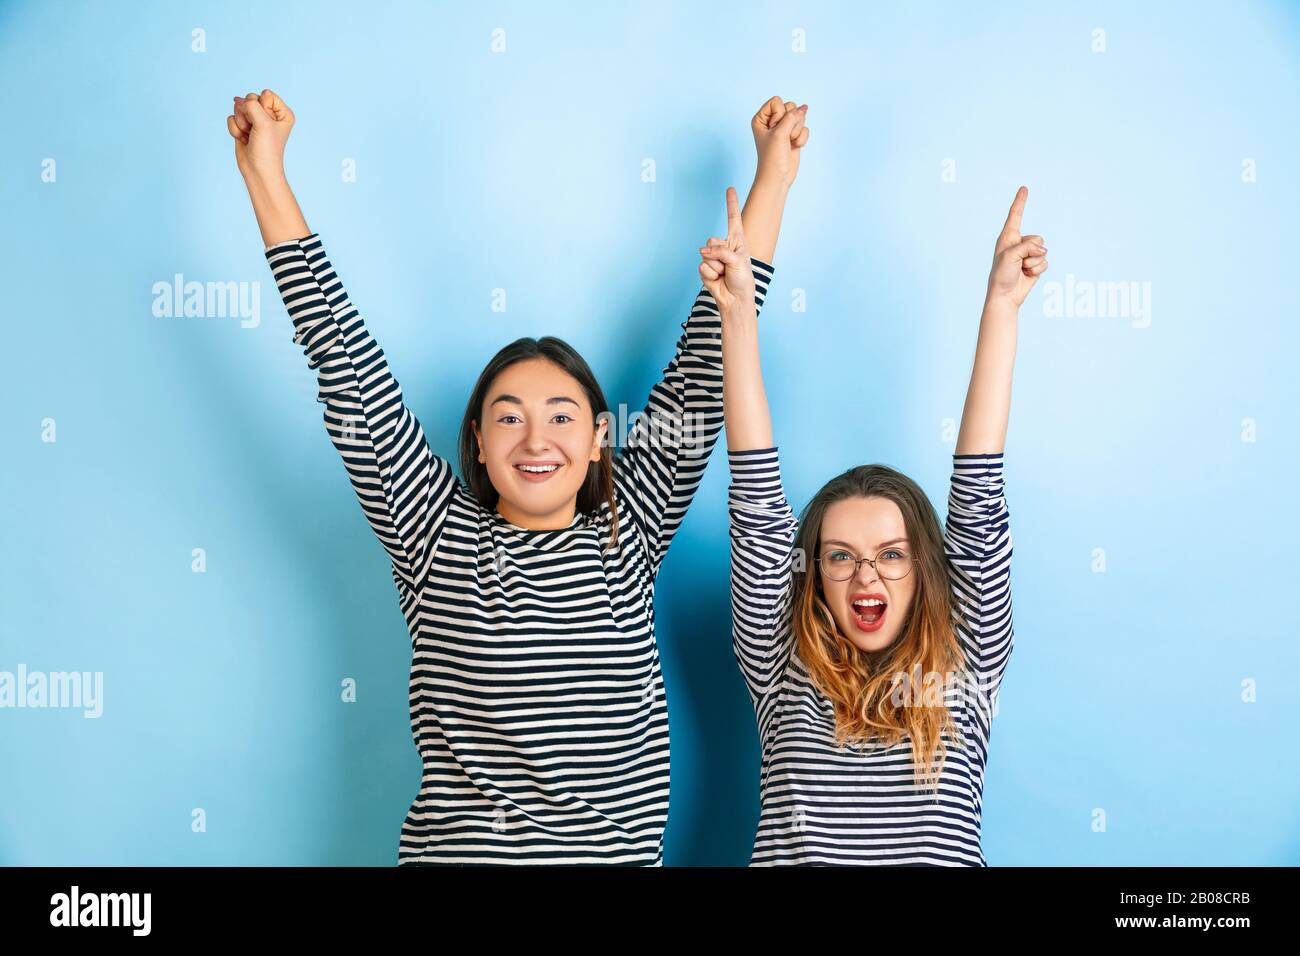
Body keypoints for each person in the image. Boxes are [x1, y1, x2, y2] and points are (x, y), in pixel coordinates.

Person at [227, 89, 809, 864]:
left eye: (562, 416)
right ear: (476, 440)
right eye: (510, 416)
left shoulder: (627, 529)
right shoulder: (433, 531)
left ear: (604, 438)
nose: (537, 438)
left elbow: (709, 361)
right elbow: (344, 359)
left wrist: (772, 180)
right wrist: (266, 172)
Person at [703, 184, 1045, 865]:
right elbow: (756, 500)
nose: (866, 575)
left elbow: (978, 497)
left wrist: (1001, 306)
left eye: (892, 555)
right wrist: (738, 319)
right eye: (840, 557)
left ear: (925, 571)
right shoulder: (780, 663)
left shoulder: (966, 661)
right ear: (813, 574)